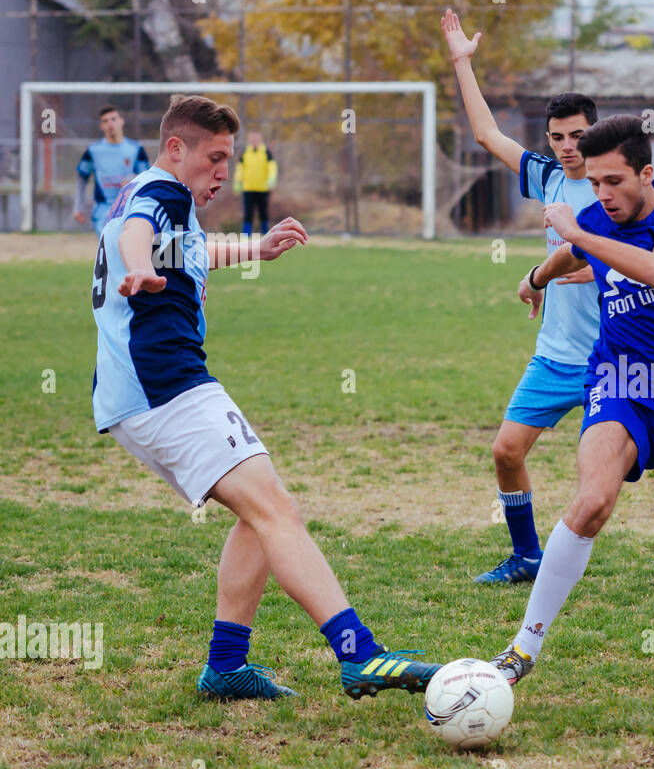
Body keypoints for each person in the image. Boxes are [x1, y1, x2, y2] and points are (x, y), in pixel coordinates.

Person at [91, 93, 442, 700]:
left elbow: (181, 251)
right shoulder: (161, 194)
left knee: (259, 514)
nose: (224, 171)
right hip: (167, 385)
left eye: (229, 157)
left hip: (140, 392)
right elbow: (140, 235)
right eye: (215, 156)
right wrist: (138, 267)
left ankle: (226, 667)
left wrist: (254, 248)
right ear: (177, 149)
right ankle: (361, 654)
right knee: (276, 510)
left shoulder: (151, 194)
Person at [441, 8, 654, 585]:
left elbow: (647, 265)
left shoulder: (625, 189)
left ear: (595, 133)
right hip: (556, 354)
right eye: (557, 138)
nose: (567, 147)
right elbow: (486, 134)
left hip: (618, 355)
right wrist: (461, 62)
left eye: (577, 135)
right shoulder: (549, 178)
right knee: (506, 451)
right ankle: (527, 556)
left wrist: (567, 273)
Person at [490, 114, 654, 685]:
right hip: (619, 383)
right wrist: (536, 277)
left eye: (614, 182)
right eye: (595, 184)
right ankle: (523, 648)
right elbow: (569, 258)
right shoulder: (598, 220)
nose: (603, 195)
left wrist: (577, 232)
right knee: (592, 502)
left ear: (646, 173)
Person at [75, 105, 150, 234]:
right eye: (105, 121)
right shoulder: (93, 150)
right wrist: (78, 207)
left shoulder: (136, 149)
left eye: (113, 119)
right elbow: (82, 178)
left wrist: (132, 180)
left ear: (122, 121)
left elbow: (147, 177)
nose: (110, 123)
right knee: (109, 250)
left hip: (130, 208)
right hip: (103, 210)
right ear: (101, 126)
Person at [234, 130, 277, 235]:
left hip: (263, 188)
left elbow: (272, 167)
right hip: (248, 188)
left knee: (263, 212)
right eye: (252, 139)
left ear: (260, 140)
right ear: (249, 140)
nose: (254, 141)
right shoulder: (245, 153)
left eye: (256, 139)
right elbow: (240, 169)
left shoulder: (266, 152)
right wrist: (237, 182)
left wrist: (271, 179)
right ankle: (246, 234)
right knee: (248, 212)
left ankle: (266, 233)